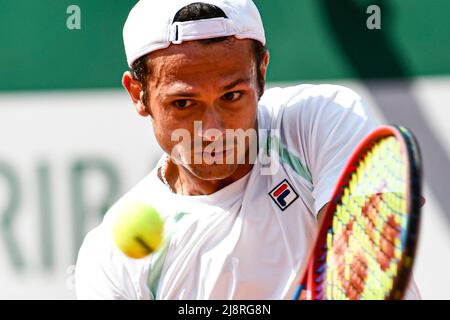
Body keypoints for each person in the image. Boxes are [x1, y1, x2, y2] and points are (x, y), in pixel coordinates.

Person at [75, 0, 420, 299]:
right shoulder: (110, 258)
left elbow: (361, 264)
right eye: (183, 103)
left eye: (231, 97)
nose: (212, 130)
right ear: (138, 94)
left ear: (261, 74)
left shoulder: (322, 119)